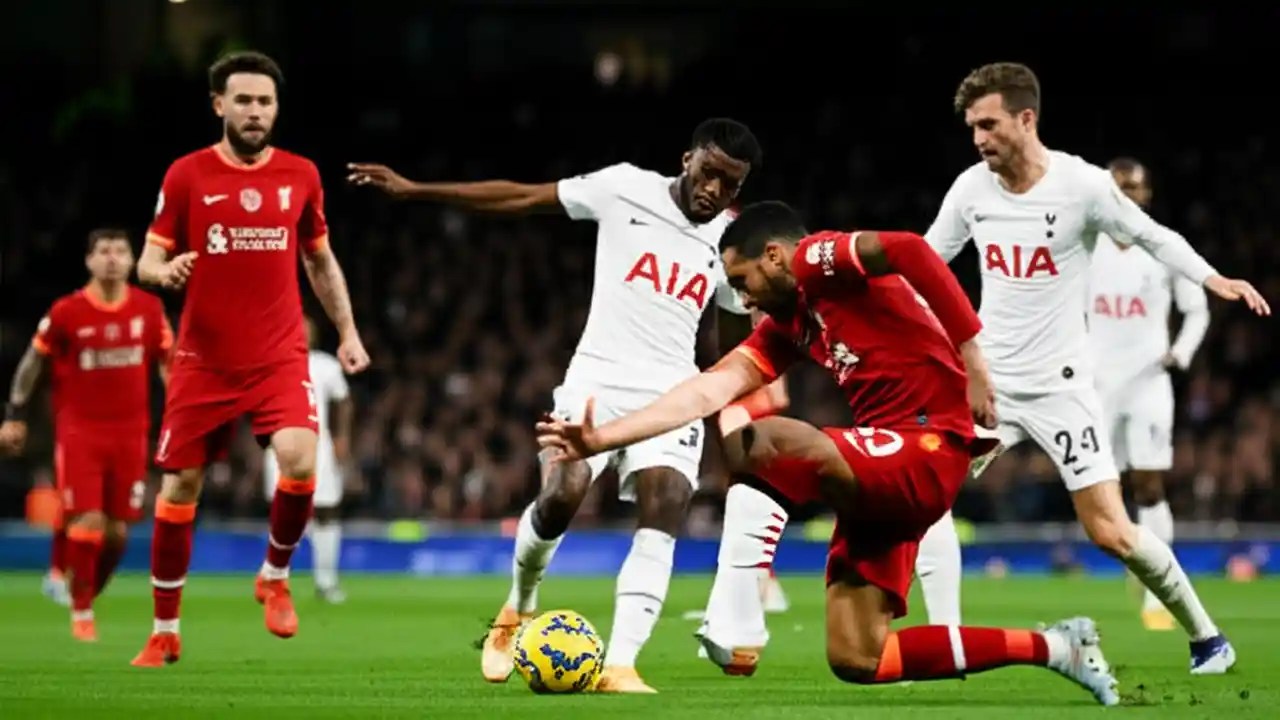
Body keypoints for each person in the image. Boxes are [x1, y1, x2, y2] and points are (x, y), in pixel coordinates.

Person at [537, 201, 1120, 705]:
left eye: (741, 282)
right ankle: (1058, 647)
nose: (741, 300)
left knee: (765, 437)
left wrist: (973, 360)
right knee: (859, 658)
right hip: (884, 466)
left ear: (773, 256)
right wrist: (603, 439)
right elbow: (707, 388)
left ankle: (737, 613)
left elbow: (911, 249)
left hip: (928, 440)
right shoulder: (787, 325)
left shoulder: (818, 258)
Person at [348, 117, 761, 692]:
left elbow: (721, 330)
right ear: (687, 158)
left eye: (730, 183)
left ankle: (620, 664)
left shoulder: (730, 236)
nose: (714, 190)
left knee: (666, 505)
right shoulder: (624, 188)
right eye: (709, 172)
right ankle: (517, 608)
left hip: (672, 397)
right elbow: (522, 197)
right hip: (598, 381)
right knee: (562, 494)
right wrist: (418, 190)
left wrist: (729, 393)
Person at [922, 61, 1268, 674]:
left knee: (1110, 531)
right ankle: (946, 642)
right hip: (990, 384)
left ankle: (1208, 638)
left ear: (1027, 119)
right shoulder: (971, 189)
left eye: (989, 125)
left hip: (1062, 388)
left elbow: (1153, 235)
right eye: (972, 127)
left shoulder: (1082, 187)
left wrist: (1213, 279)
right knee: (923, 495)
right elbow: (926, 263)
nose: (977, 139)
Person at [129, 51, 370, 667]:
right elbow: (146, 261)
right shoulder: (186, 175)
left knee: (300, 458)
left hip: (278, 355)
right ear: (219, 105)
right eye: (243, 100)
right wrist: (167, 271)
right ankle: (164, 630)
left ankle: (275, 575)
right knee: (180, 487)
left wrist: (346, 331)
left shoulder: (301, 176)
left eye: (264, 101)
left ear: (276, 108)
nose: (255, 111)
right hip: (203, 360)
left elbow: (319, 260)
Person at [0, 228, 173, 641]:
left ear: (133, 260)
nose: (111, 258)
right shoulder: (67, 312)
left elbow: (170, 365)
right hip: (81, 432)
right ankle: (81, 614)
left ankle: (85, 595)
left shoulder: (149, 310)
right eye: (103, 251)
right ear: (89, 261)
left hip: (131, 434)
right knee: (88, 519)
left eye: (120, 250)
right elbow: (31, 365)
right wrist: (15, 413)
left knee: (116, 533)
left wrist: (180, 413)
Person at [1088, 157, 1209, 630]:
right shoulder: (1087, 245)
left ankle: (1159, 595)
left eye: (1136, 188)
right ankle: (1135, 559)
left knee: (1151, 484)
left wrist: (1179, 354)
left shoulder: (1163, 249)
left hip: (1148, 384)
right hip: (1097, 385)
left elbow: (1197, 310)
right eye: (1120, 188)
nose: (1129, 196)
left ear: (1148, 194)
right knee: (1103, 489)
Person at [262, 316, 354, 603]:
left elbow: (343, 402)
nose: (301, 331)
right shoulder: (272, 363)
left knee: (326, 510)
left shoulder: (326, 365)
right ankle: (276, 581)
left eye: (307, 327)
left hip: (319, 445)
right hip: (280, 445)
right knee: (282, 512)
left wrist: (342, 438)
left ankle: (326, 581)